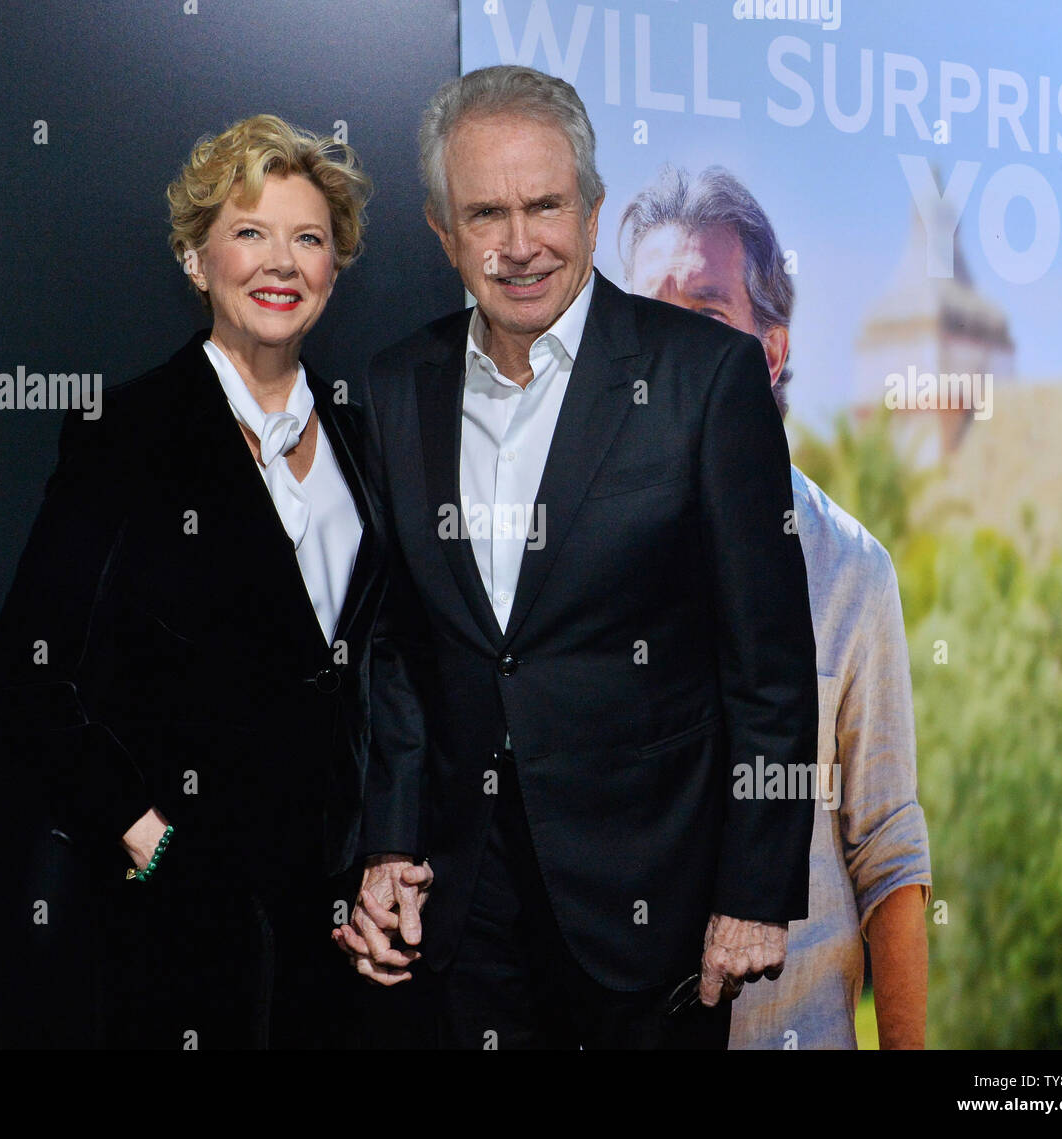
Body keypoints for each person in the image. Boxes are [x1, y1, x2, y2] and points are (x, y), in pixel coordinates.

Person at [333, 65, 819, 1049]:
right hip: (463, 911)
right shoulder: (394, 388)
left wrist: (754, 892)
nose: (519, 245)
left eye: (545, 205)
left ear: (593, 213)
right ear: (441, 231)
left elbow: (769, 663)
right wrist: (387, 843)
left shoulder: (702, 376)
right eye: (484, 214)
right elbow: (394, 645)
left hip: (654, 905)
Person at [0, 113, 383, 1049]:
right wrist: (151, 841)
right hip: (182, 940)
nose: (280, 262)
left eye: (309, 238)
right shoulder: (127, 432)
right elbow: (24, 672)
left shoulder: (369, 441)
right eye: (250, 232)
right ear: (197, 261)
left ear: (335, 268)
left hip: (339, 936)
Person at [621, 164, 932, 1049]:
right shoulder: (552, 562)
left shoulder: (851, 573)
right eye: (649, 319)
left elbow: (888, 847)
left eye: (708, 317)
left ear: (771, 350)